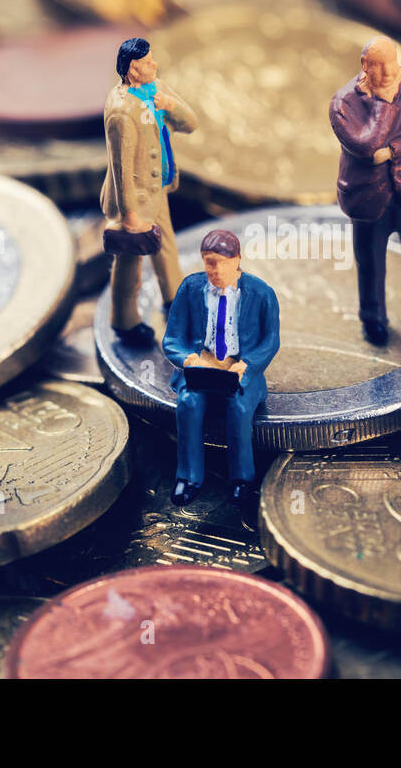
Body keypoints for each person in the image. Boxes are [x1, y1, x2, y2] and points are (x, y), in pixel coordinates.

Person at [329, 35, 401, 346]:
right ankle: (373, 321)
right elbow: (366, 145)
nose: (389, 72)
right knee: (370, 265)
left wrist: (394, 150)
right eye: (378, 67)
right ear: (364, 67)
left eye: (392, 63)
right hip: (368, 198)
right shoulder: (343, 102)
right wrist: (382, 104)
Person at [161, 229, 280, 508]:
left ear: (237, 259)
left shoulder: (262, 293)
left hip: (238, 372)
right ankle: (189, 477)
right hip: (200, 369)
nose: (215, 270)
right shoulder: (190, 289)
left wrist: (246, 365)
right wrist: (188, 359)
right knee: (188, 404)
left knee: (238, 409)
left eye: (221, 262)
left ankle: (242, 480)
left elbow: (270, 341)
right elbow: (172, 339)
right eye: (208, 262)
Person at [101, 36, 200, 348]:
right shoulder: (121, 110)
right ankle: (125, 321)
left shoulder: (156, 88)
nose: (154, 65)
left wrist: (171, 106)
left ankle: (174, 301)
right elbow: (121, 169)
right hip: (135, 201)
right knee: (130, 263)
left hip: (158, 189)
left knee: (167, 248)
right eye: (146, 63)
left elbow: (191, 124)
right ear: (132, 70)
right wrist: (130, 215)